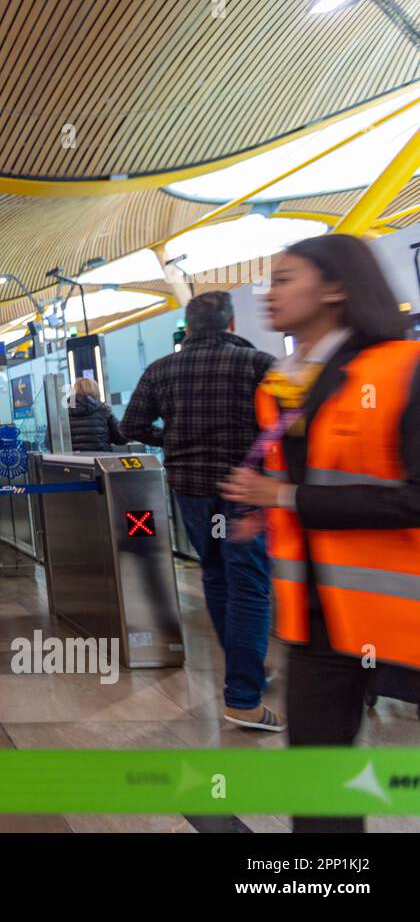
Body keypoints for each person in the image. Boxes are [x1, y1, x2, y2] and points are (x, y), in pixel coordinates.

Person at [220, 234, 420, 832]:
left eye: (285, 278)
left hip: (404, 613)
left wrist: (283, 497)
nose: (268, 293)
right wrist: (271, 512)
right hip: (317, 619)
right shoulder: (281, 389)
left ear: (334, 287)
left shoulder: (402, 370)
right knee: (318, 782)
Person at [121, 290, 280, 731]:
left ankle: (246, 670)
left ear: (188, 328)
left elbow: (129, 426)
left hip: (191, 490)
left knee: (216, 576)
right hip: (245, 489)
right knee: (249, 586)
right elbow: (287, 427)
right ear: (231, 325)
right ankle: (245, 695)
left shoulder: (161, 370)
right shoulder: (259, 364)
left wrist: (172, 440)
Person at [67, 377, 127, 451]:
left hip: (73, 460)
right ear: (96, 391)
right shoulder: (104, 410)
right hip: (101, 458)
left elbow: (50, 441)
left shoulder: (64, 412)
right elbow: (121, 438)